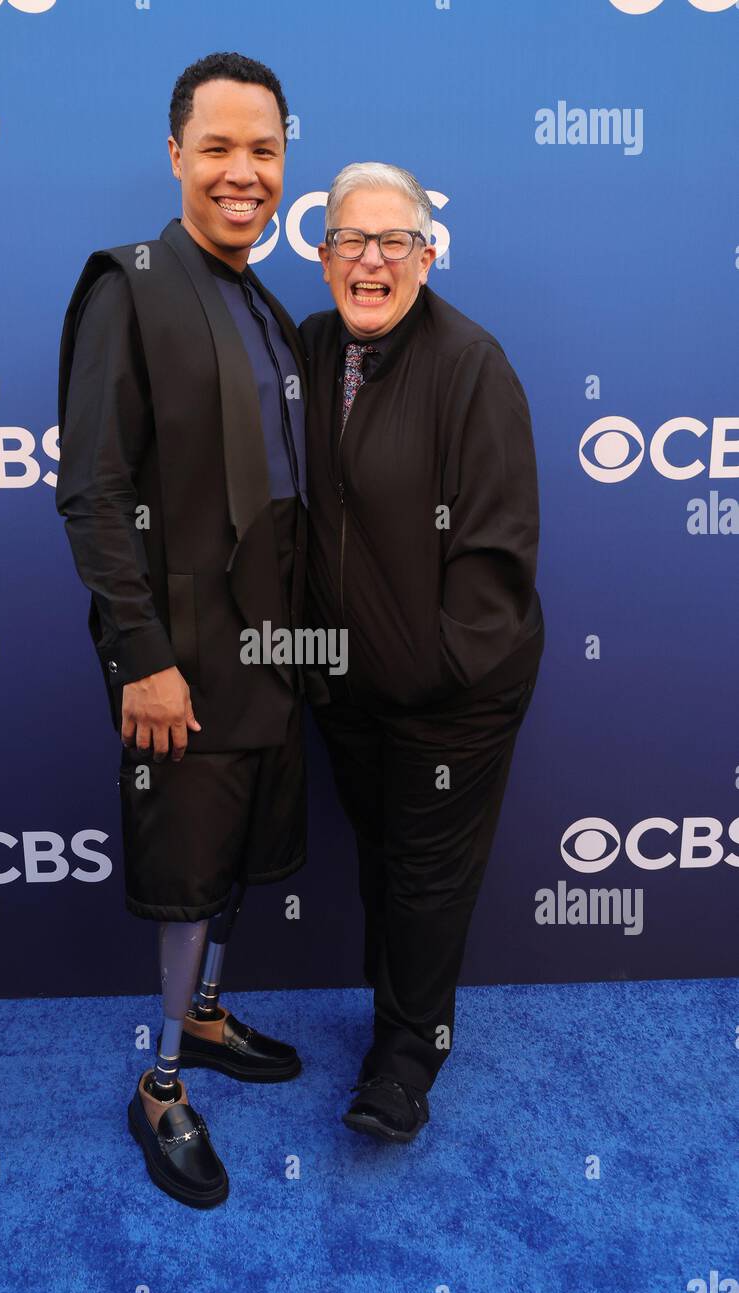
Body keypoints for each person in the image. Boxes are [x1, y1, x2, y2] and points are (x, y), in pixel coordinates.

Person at [55, 53, 308, 1208]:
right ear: (175, 156)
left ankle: (202, 1021)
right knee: (183, 879)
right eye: (217, 148)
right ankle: (160, 1085)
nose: (242, 172)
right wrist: (140, 657)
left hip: (272, 659)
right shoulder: (132, 281)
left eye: (263, 150)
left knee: (232, 868)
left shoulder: (260, 296)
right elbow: (95, 494)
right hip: (181, 669)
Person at [300, 161, 545, 1144]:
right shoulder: (309, 350)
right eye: (349, 242)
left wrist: (426, 674)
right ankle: (395, 1009)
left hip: (455, 691)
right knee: (385, 856)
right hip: (349, 684)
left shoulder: (471, 365)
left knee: (428, 874)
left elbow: (495, 559)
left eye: (391, 241)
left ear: (427, 254)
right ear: (322, 260)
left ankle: (405, 1063)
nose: (370, 260)